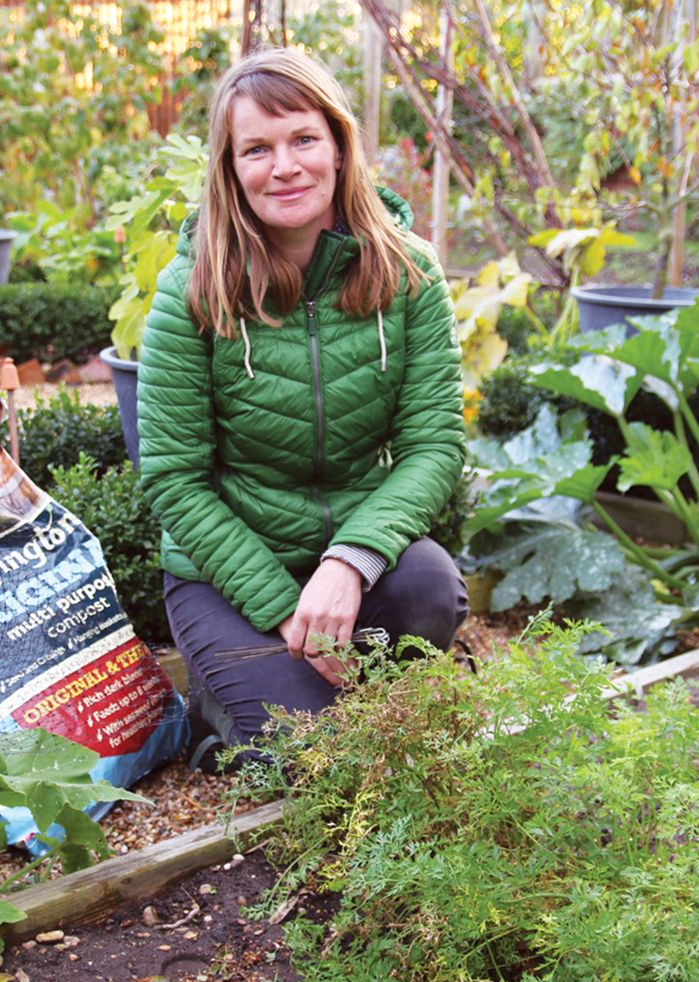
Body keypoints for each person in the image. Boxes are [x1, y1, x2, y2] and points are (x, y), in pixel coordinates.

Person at [137, 48, 469, 765]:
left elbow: (434, 447)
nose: (283, 166)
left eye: (303, 140)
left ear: (340, 147)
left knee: (428, 587)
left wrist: (348, 563)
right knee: (304, 753)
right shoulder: (192, 293)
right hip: (227, 573)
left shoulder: (409, 274)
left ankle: (339, 689)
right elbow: (174, 480)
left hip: (348, 557)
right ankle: (223, 703)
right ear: (230, 169)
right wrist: (289, 611)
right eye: (256, 149)